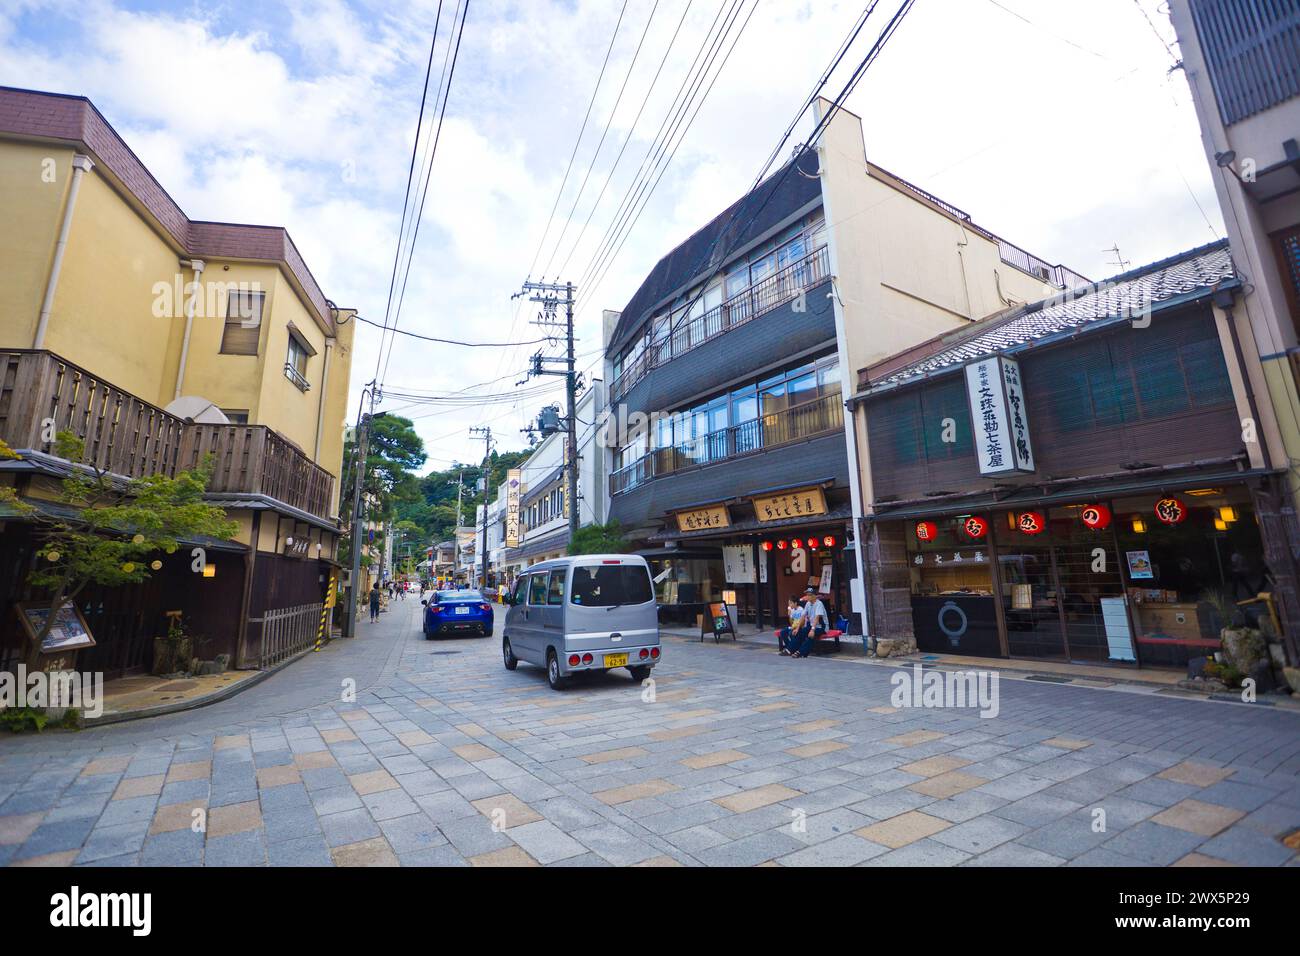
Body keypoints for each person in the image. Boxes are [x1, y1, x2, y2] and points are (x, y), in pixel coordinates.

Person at [790, 588, 829, 658]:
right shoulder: (808, 603)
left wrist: (812, 630)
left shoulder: (819, 604)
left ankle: (800, 652)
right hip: (812, 626)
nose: (807, 596)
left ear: (814, 596)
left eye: (809, 595)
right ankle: (792, 649)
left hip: (821, 627)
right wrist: (797, 628)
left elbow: (817, 617)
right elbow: (803, 616)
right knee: (800, 632)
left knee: (810, 636)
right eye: (807, 595)